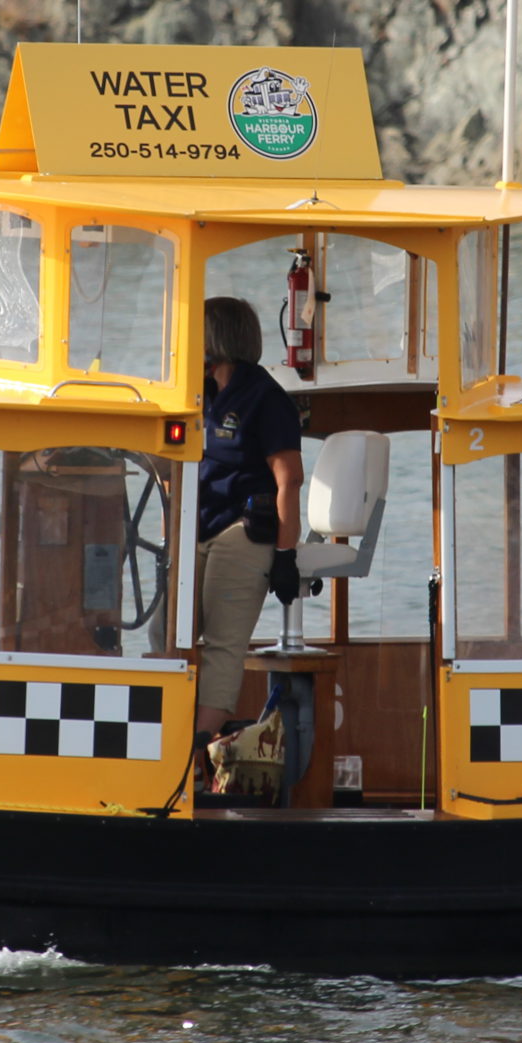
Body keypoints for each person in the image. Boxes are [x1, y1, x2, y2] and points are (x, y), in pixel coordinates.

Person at [194, 295, 304, 741]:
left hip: (245, 529)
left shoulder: (265, 398)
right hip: (199, 525)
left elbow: (290, 479)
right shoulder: (200, 394)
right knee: (168, 634)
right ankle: (164, 735)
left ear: (216, 338)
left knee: (222, 644)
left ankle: (190, 750)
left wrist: (285, 555)